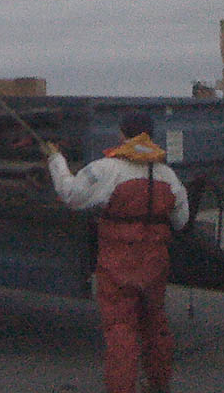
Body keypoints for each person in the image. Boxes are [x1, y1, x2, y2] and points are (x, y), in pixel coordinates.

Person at [40, 110, 189, 393]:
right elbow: (181, 221)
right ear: (151, 137)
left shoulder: (106, 170)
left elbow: (70, 195)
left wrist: (55, 158)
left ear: (121, 135)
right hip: (155, 264)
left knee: (121, 331)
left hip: (118, 263)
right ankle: (159, 386)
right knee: (155, 324)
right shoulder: (169, 176)